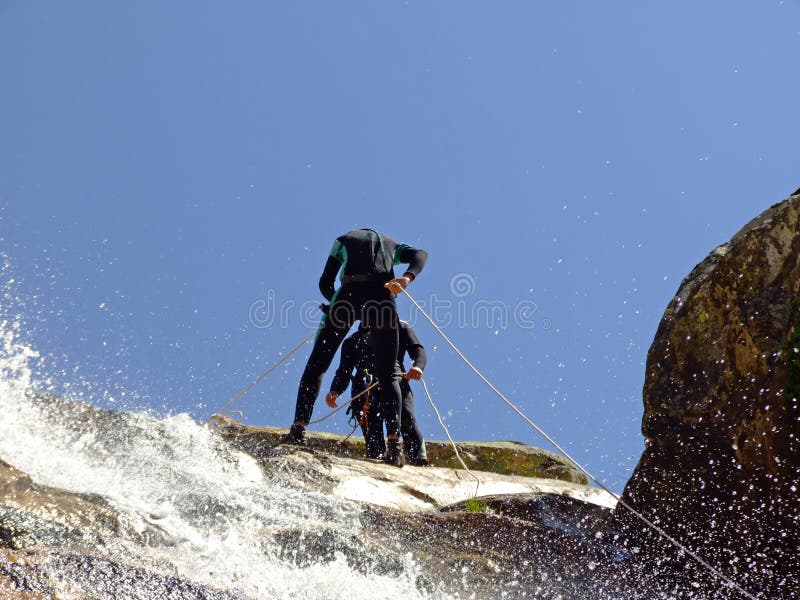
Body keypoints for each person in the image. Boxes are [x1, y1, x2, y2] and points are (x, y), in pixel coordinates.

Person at [282, 228, 427, 467]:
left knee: (318, 363)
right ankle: (394, 446)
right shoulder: (392, 245)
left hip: (348, 296)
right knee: (389, 372)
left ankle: (298, 431)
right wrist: (407, 277)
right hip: (383, 298)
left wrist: (333, 304)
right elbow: (420, 254)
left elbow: (325, 281)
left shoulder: (342, 241)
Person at [327, 320, 428, 466]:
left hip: (396, 380)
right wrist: (335, 390)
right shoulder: (352, 341)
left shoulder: (399, 326)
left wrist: (418, 366)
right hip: (365, 389)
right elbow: (344, 371)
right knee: (372, 432)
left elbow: (417, 349)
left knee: (406, 419)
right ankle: (377, 457)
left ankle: (419, 460)